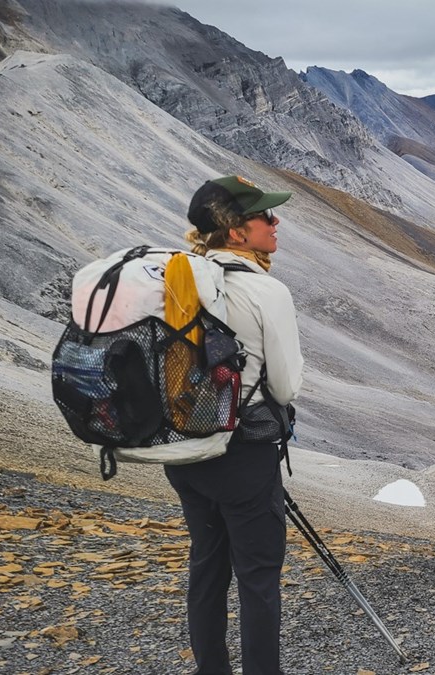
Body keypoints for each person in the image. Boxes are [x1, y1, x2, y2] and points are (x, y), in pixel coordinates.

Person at [167, 175, 304, 675]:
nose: (276, 221)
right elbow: (285, 389)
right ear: (236, 232)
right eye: (265, 215)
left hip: (183, 448)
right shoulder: (266, 291)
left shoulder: (176, 279)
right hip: (244, 454)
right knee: (258, 578)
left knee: (207, 566)